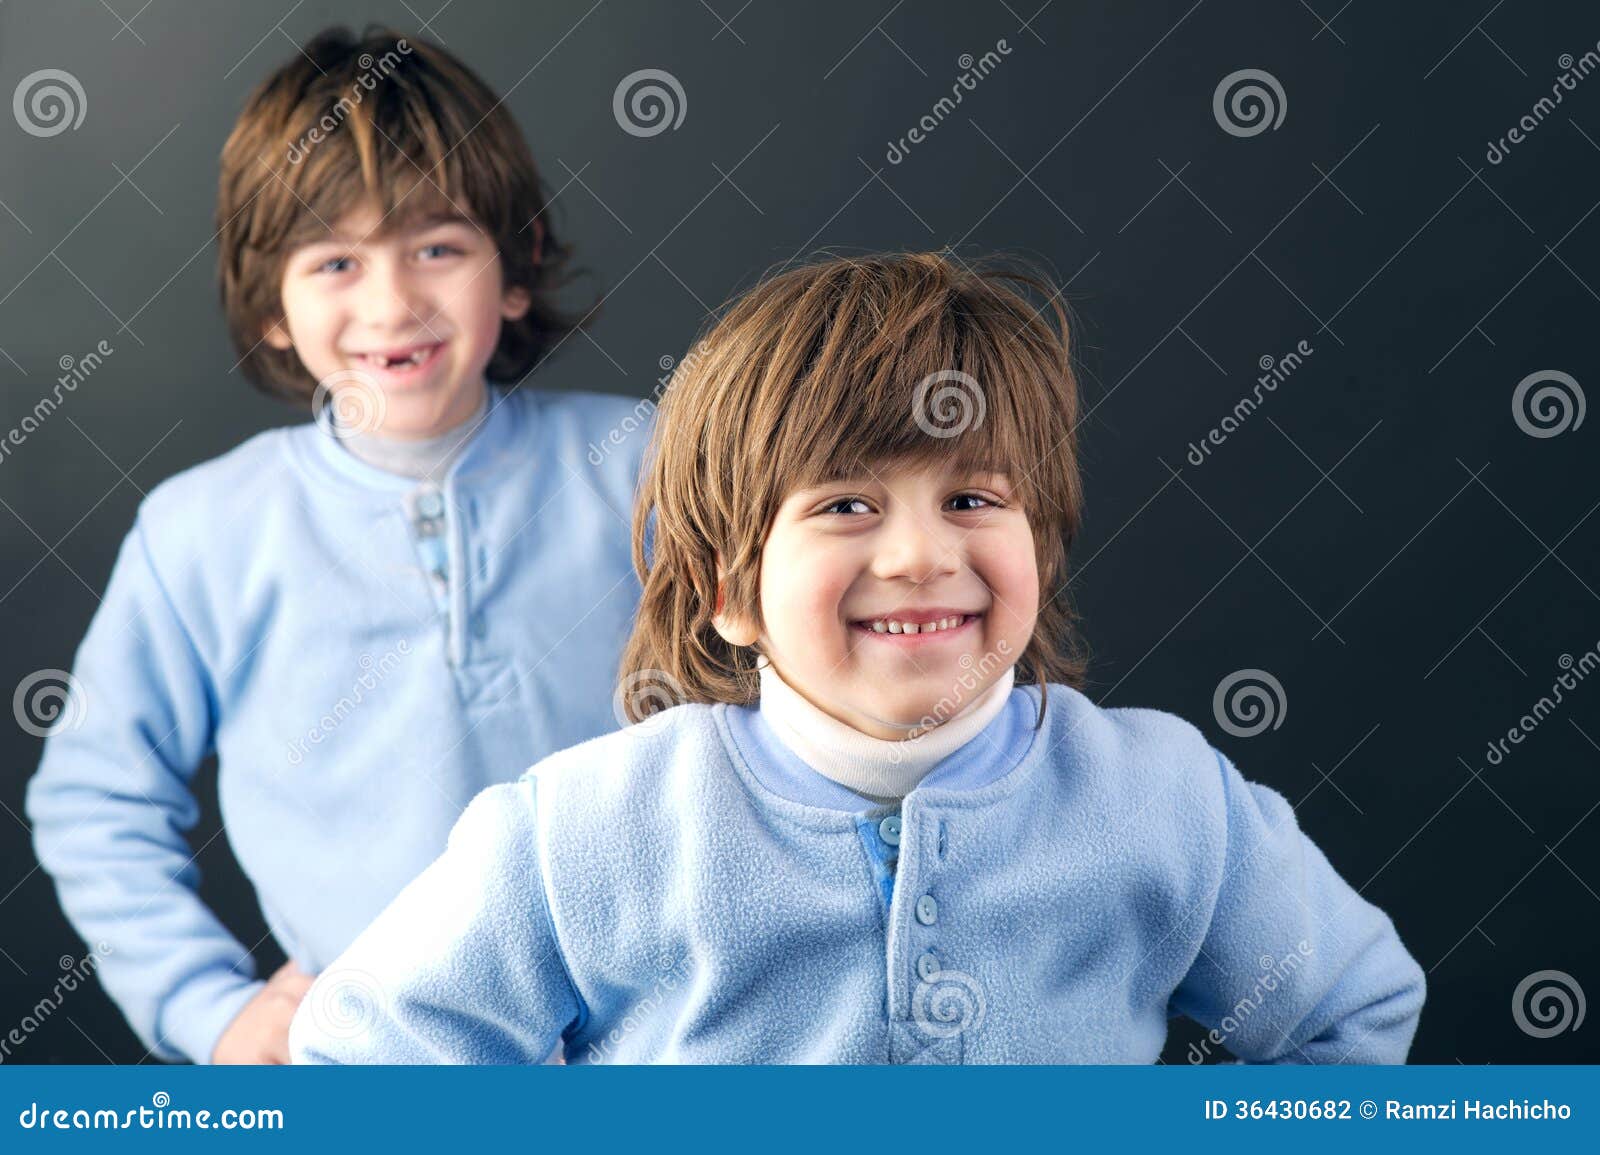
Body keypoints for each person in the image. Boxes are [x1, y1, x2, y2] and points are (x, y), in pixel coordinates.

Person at [290, 251, 1425, 1064]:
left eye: (974, 496)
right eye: (844, 505)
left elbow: (1350, 1011)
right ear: (729, 590)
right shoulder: (584, 829)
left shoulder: (1164, 798)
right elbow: (364, 1061)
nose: (924, 553)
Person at [26, 27, 648, 1065]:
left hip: (659, 1052)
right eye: (335, 261)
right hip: (368, 1073)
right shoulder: (204, 533)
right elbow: (96, 796)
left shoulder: (649, 466)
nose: (391, 303)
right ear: (272, 304)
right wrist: (208, 1008)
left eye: (438, 247)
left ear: (518, 267)